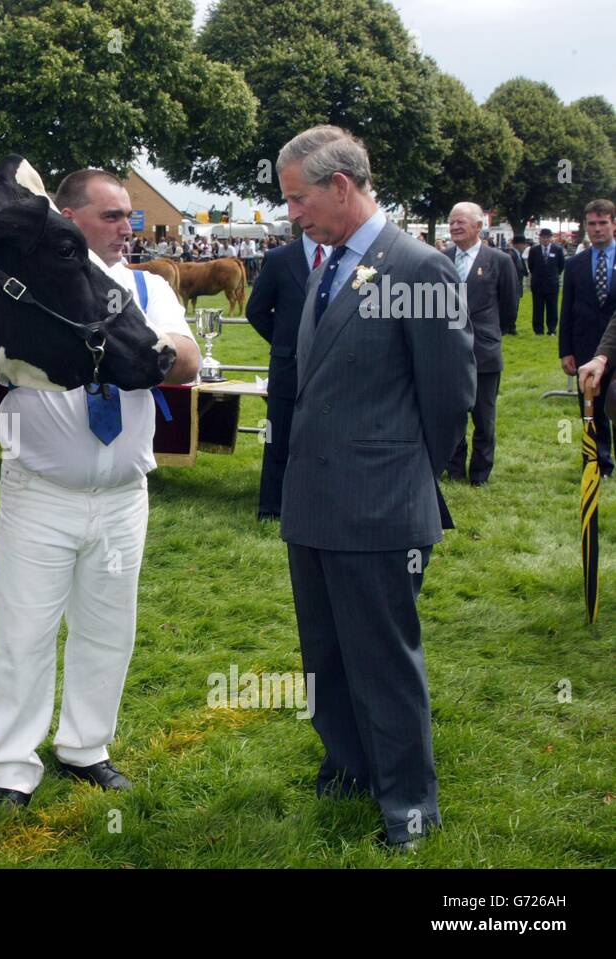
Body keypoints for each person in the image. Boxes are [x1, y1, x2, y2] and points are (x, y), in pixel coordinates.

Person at [276, 125, 475, 850]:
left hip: (379, 505)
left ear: (341, 186)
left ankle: (409, 806)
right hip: (315, 502)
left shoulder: (416, 267)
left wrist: (396, 472)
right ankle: (349, 768)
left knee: (384, 662)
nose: (293, 216)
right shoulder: (327, 264)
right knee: (325, 654)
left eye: (299, 199)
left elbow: (449, 393)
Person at [0, 168, 200, 808]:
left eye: (129, 216)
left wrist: (131, 343)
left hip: (123, 493)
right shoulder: (25, 292)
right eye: (111, 216)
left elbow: (184, 360)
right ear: (67, 219)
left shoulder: (147, 287)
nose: (127, 229)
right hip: (41, 489)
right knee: (23, 631)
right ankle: (12, 768)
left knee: (108, 628)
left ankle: (86, 748)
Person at [246, 228, 331, 520]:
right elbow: (256, 310)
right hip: (288, 366)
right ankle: (272, 507)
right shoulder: (279, 258)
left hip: (335, 366)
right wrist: (285, 343)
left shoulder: (346, 257)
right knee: (277, 437)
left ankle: (323, 502)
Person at [442, 202, 518, 486]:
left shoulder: (498, 260)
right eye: (451, 222)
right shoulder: (441, 258)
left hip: (483, 351)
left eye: (461, 221)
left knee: (484, 417)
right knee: (452, 414)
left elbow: (510, 306)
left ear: (478, 225)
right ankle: (454, 469)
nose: (455, 226)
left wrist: (490, 332)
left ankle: (480, 474)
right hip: (448, 351)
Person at [565, 200, 616, 475]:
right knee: (592, 409)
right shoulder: (575, 264)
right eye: (592, 224)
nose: (596, 229)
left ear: (614, 224)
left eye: (602, 223)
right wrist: (566, 351)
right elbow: (567, 310)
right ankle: (598, 463)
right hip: (585, 349)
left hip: (615, 348)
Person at [528, 228, 566, 335]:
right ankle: (538, 330)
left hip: (552, 284)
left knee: (552, 308)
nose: (545, 239)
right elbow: (531, 266)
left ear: (551, 238)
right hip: (537, 284)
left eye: (547, 237)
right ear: (540, 238)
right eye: (543, 237)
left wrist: (553, 275)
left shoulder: (557, 250)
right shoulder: (534, 250)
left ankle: (552, 329)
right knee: (537, 308)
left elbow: (561, 266)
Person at [508, 235, 530, 308]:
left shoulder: (519, 255)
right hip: (512, 289)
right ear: (518, 244)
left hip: (517, 288)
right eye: (524, 244)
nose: (525, 246)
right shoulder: (511, 255)